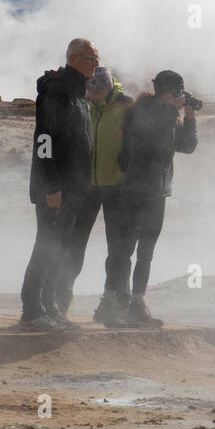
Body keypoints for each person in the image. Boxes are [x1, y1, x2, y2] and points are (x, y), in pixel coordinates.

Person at [20, 38, 97, 331]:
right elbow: (45, 139)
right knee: (47, 245)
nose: (96, 64)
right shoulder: (57, 89)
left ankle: (50, 305)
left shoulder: (79, 90)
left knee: (62, 247)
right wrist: (50, 185)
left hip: (75, 186)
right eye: (91, 58)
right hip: (56, 187)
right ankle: (32, 308)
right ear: (74, 58)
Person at [53, 66, 134, 328]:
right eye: (91, 90)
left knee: (119, 250)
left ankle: (112, 305)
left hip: (118, 187)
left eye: (99, 91)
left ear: (110, 88)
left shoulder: (126, 108)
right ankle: (59, 302)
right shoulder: (82, 105)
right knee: (73, 245)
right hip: (85, 186)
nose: (94, 95)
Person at [118, 69, 198, 327]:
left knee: (146, 252)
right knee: (127, 249)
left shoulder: (168, 114)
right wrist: (171, 111)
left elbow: (187, 146)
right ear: (170, 92)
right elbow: (150, 141)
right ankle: (119, 304)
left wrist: (190, 116)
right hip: (136, 189)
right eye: (178, 93)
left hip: (157, 191)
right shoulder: (145, 110)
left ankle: (137, 305)